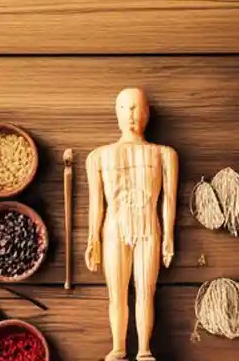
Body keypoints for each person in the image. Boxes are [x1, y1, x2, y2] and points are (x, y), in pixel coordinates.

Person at [85, 88, 178, 361]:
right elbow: (95, 203)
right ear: (117, 114)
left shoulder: (164, 154)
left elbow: (169, 200)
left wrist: (169, 238)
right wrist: (93, 238)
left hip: (148, 226)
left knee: (146, 292)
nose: (131, 114)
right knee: (116, 293)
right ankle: (118, 348)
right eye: (125, 108)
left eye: (137, 108)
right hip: (114, 227)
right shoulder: (98, 156)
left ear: (148, 114)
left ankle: (144, 350)